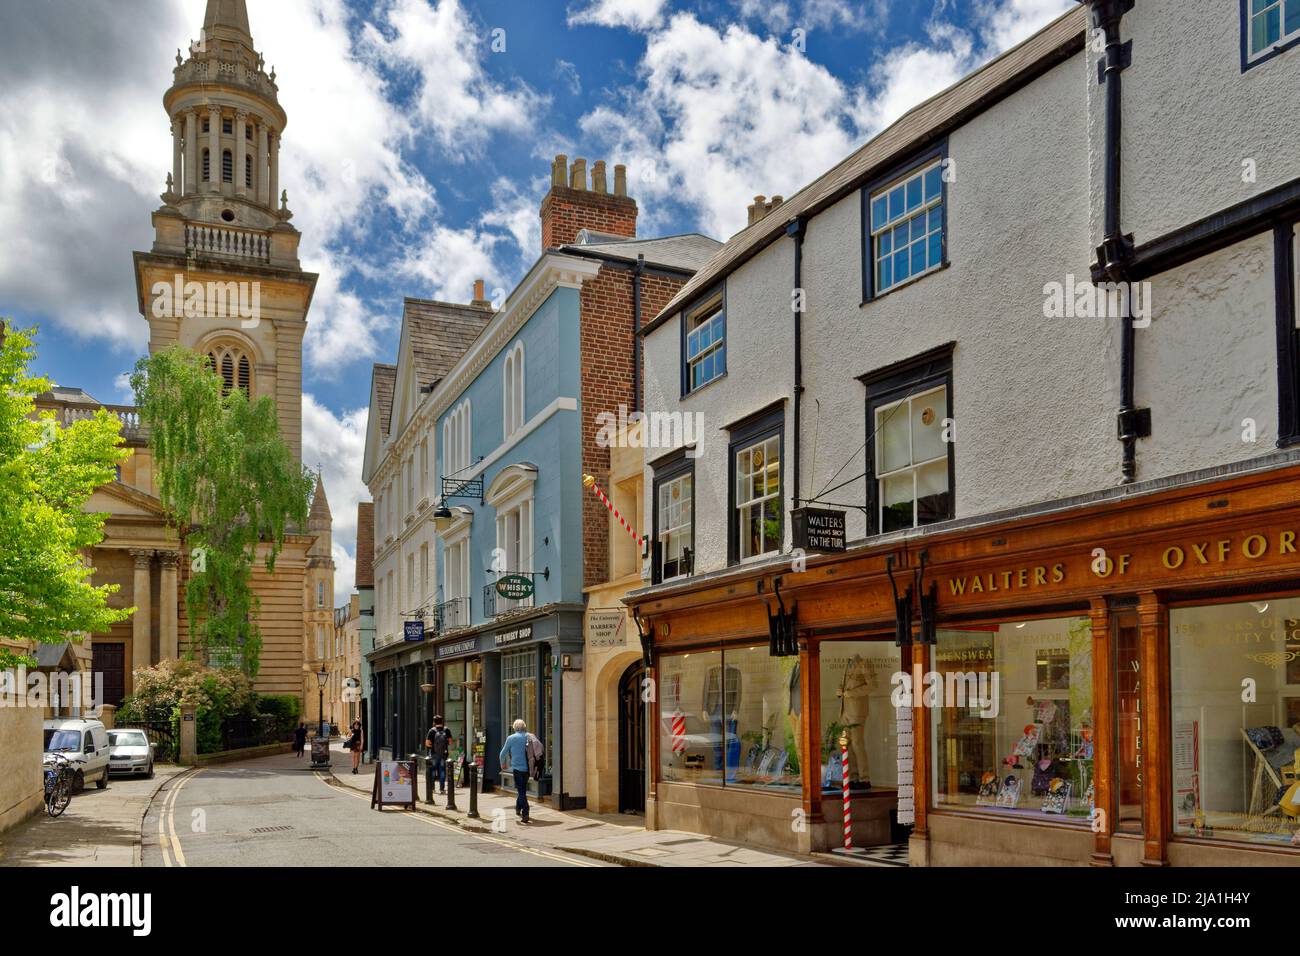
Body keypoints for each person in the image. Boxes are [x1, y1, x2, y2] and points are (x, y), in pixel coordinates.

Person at [498, 719, 541, 823]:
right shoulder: (529, 737)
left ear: (514, 727)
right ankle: (518, 808)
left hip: (517, 769)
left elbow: (502, 753)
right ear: (524, 727)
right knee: (522, 790)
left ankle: (525, 813)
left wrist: (502, 764)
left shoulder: (511, 738)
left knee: (521, 791)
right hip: (528, 769)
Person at [424, 715, 453, 794]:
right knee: (442, 771)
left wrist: (433, 746)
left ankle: (432, 789)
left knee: (433, 771)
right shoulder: (446, 730)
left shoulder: (432, 731)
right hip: (443, 754)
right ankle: (442, 789)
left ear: (434, 722)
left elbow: (427, 743)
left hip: (434, 754)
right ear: (442, 721)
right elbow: (450, 742)